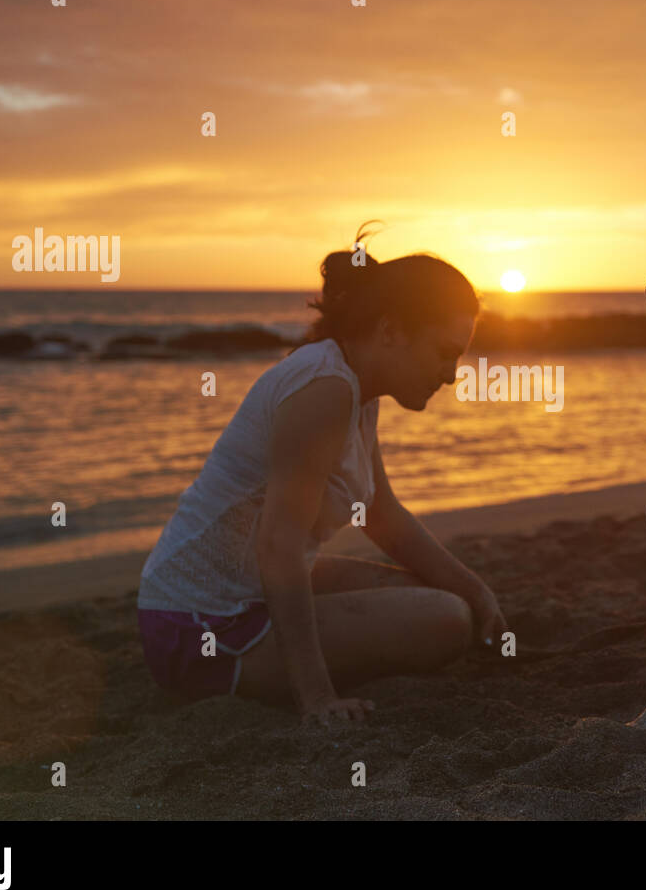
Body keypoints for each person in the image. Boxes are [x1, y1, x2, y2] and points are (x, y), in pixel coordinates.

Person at [137, 223, 507, 723]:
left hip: (250, 594)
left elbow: (382, 516)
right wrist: (316, 698)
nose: (451, 374)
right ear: (391, 330)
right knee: (446, 620)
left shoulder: (356, 385)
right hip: (201, 627)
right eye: (446, 352)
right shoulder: (325, 387)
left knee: (448, 599)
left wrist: (476, 588)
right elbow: (279, 545)